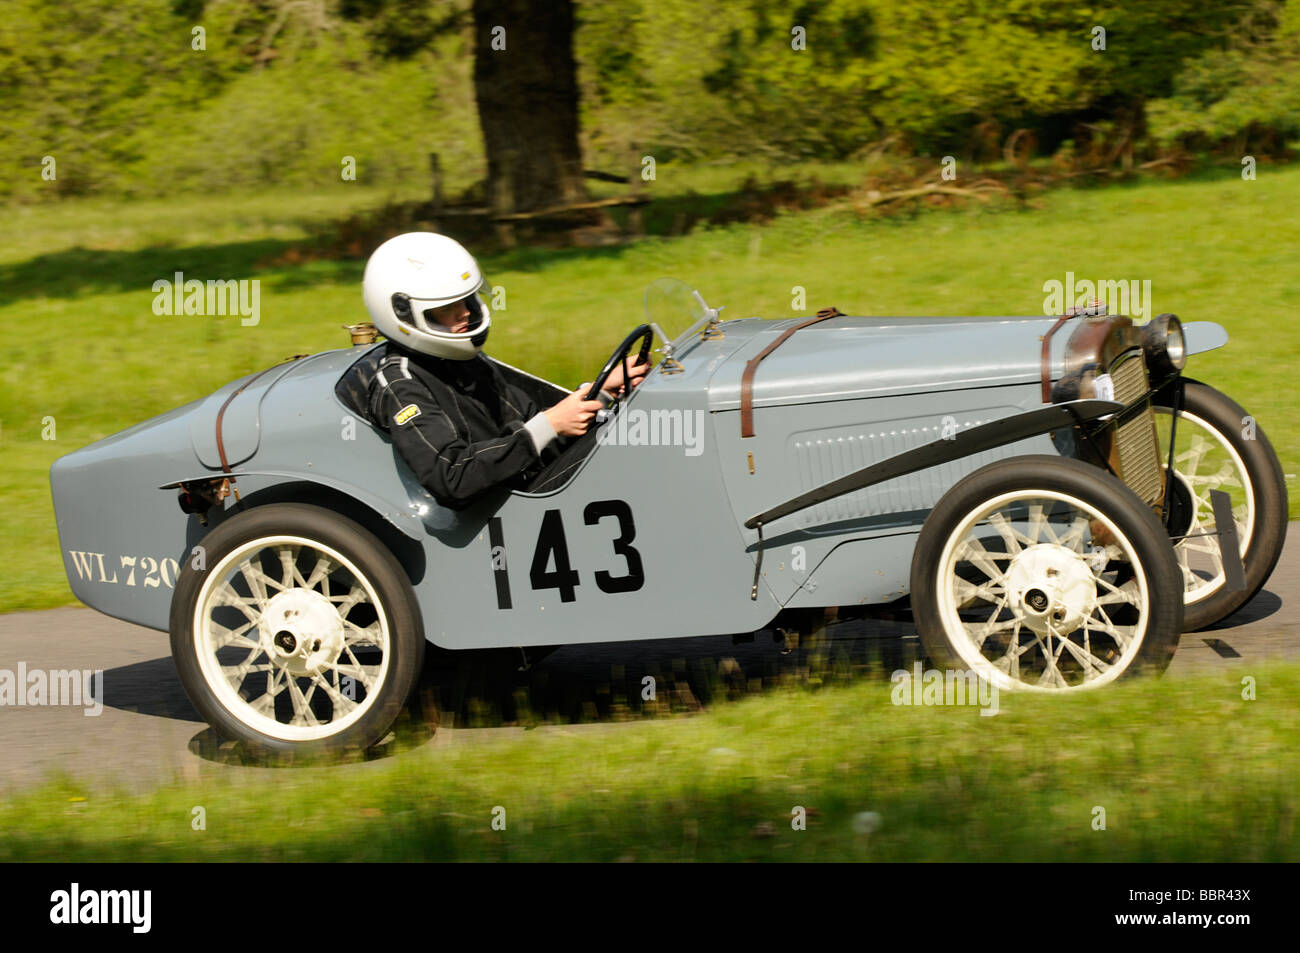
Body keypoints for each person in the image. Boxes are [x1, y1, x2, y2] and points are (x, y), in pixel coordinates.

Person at [342, 231, 647, 508]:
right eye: (446, 308)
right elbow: (451, 476)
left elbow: (534, 425)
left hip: (525, 489)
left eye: (466, 301)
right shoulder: (401, 385)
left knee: (633, 432)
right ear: (405, 315)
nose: (464, 313)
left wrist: (600, 391)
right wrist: (551, 424)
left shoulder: (464, 362)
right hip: (496, 513)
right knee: (633, 447)